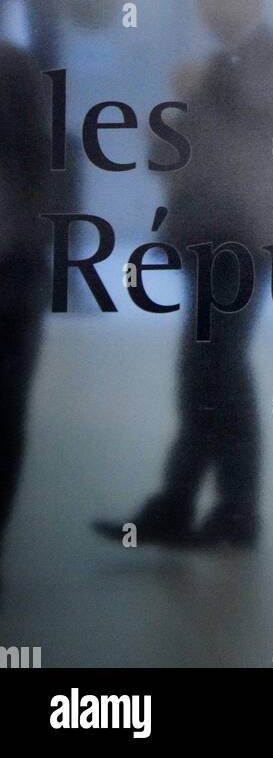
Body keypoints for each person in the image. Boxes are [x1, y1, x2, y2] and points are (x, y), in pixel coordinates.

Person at [94, 0, 273, 549]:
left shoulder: (268, 58)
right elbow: (180, 159)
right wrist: (164, 134)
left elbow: (262, 109)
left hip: (240, 239)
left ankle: (179, 504)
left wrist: (204, 89)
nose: (212, 7)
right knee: (221, 376)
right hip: (205, 237)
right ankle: (235, 511)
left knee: (209, 375)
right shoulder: (217, 65)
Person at [0, 42, 50, 586]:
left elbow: (34, 163)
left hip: (14, 266)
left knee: (8, 406)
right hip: (18, 264)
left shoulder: (11, 66)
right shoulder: (13, 64)